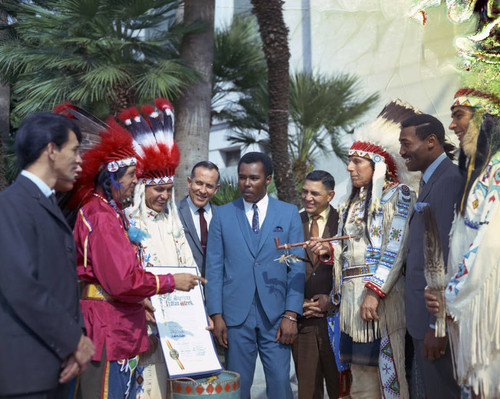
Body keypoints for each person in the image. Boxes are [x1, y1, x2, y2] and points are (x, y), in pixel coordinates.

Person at [72, 115, 204, 398]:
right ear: (112, 176)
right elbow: (121, 281)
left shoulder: (110, 212)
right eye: (131, 175)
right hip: (108, 327)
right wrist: (172, 281)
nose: (135, 180)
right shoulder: (102, 216)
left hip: (119, 325)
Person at [309, 100, 420, 399]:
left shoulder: (399, 195)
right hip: (350, 304)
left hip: (380, 302)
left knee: (387, 374)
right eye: (349, 160)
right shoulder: (349, 204)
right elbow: (352, 247)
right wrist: (328, 252)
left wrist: (375, 291)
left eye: (358, 161)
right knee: (358, 376)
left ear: (378, 165)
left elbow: (395, 248)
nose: (349, 167)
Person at [0, 112, 95, 398]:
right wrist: (75, 341)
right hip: (26, 375)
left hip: (54, 367)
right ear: (51, 150)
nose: (81, 160)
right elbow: (20, 285)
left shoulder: (46, 203)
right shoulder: (11, 205)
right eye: (75, 150)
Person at [205, 151, 305, 399]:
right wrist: (216, 315)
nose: (246, 184)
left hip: (276, 315)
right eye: (242, 178)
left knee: (281, 384)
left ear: (268, 179)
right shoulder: (222, 215)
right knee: (237, 386)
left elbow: (297, 267)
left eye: (253, 178)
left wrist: (291, 314)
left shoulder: (289, 213)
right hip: (236, 316)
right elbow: (214, 268)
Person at [122, 99, 200, 399]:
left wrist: (200, 313)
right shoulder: (127, 224)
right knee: (147, 389)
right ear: (143, 188)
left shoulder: (174, 224)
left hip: (178, 325)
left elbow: (188, 271)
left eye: (169, 190)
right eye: (158, 190)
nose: (165, 196)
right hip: (145, 323)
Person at [425, 88, 500, 398]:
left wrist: (449, 296)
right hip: (466, 307)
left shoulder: (497, 171)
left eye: (458, 116)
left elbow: (489, 245)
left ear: (483, 118)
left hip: (485, 306)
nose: (452, 126)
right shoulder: (476, 172)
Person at [399, 114, 463, 398]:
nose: (401, 151)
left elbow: (447, 258)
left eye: (406, 143)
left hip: (435, 324)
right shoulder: (430, 180)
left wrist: (436, 327)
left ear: (431, 142)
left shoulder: (448, 180)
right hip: (422, 318)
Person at [292, 170, 340, 399]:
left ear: (330, 195)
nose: (307, 197)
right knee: (308, 392)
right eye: (304, 192)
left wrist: (331, 300)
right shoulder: (293, 222)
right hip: (303, 324)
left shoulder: (344, 223)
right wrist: (294, 303)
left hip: (336, 325)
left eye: (315, 193)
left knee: (341, 389)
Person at [177, 161, 221, 277]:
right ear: (189, 182)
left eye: (209, 186)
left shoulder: (223, 216)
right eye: (199, 183)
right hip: (185, 289)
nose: (202, 190)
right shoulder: (172, 213)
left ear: (216, 189)